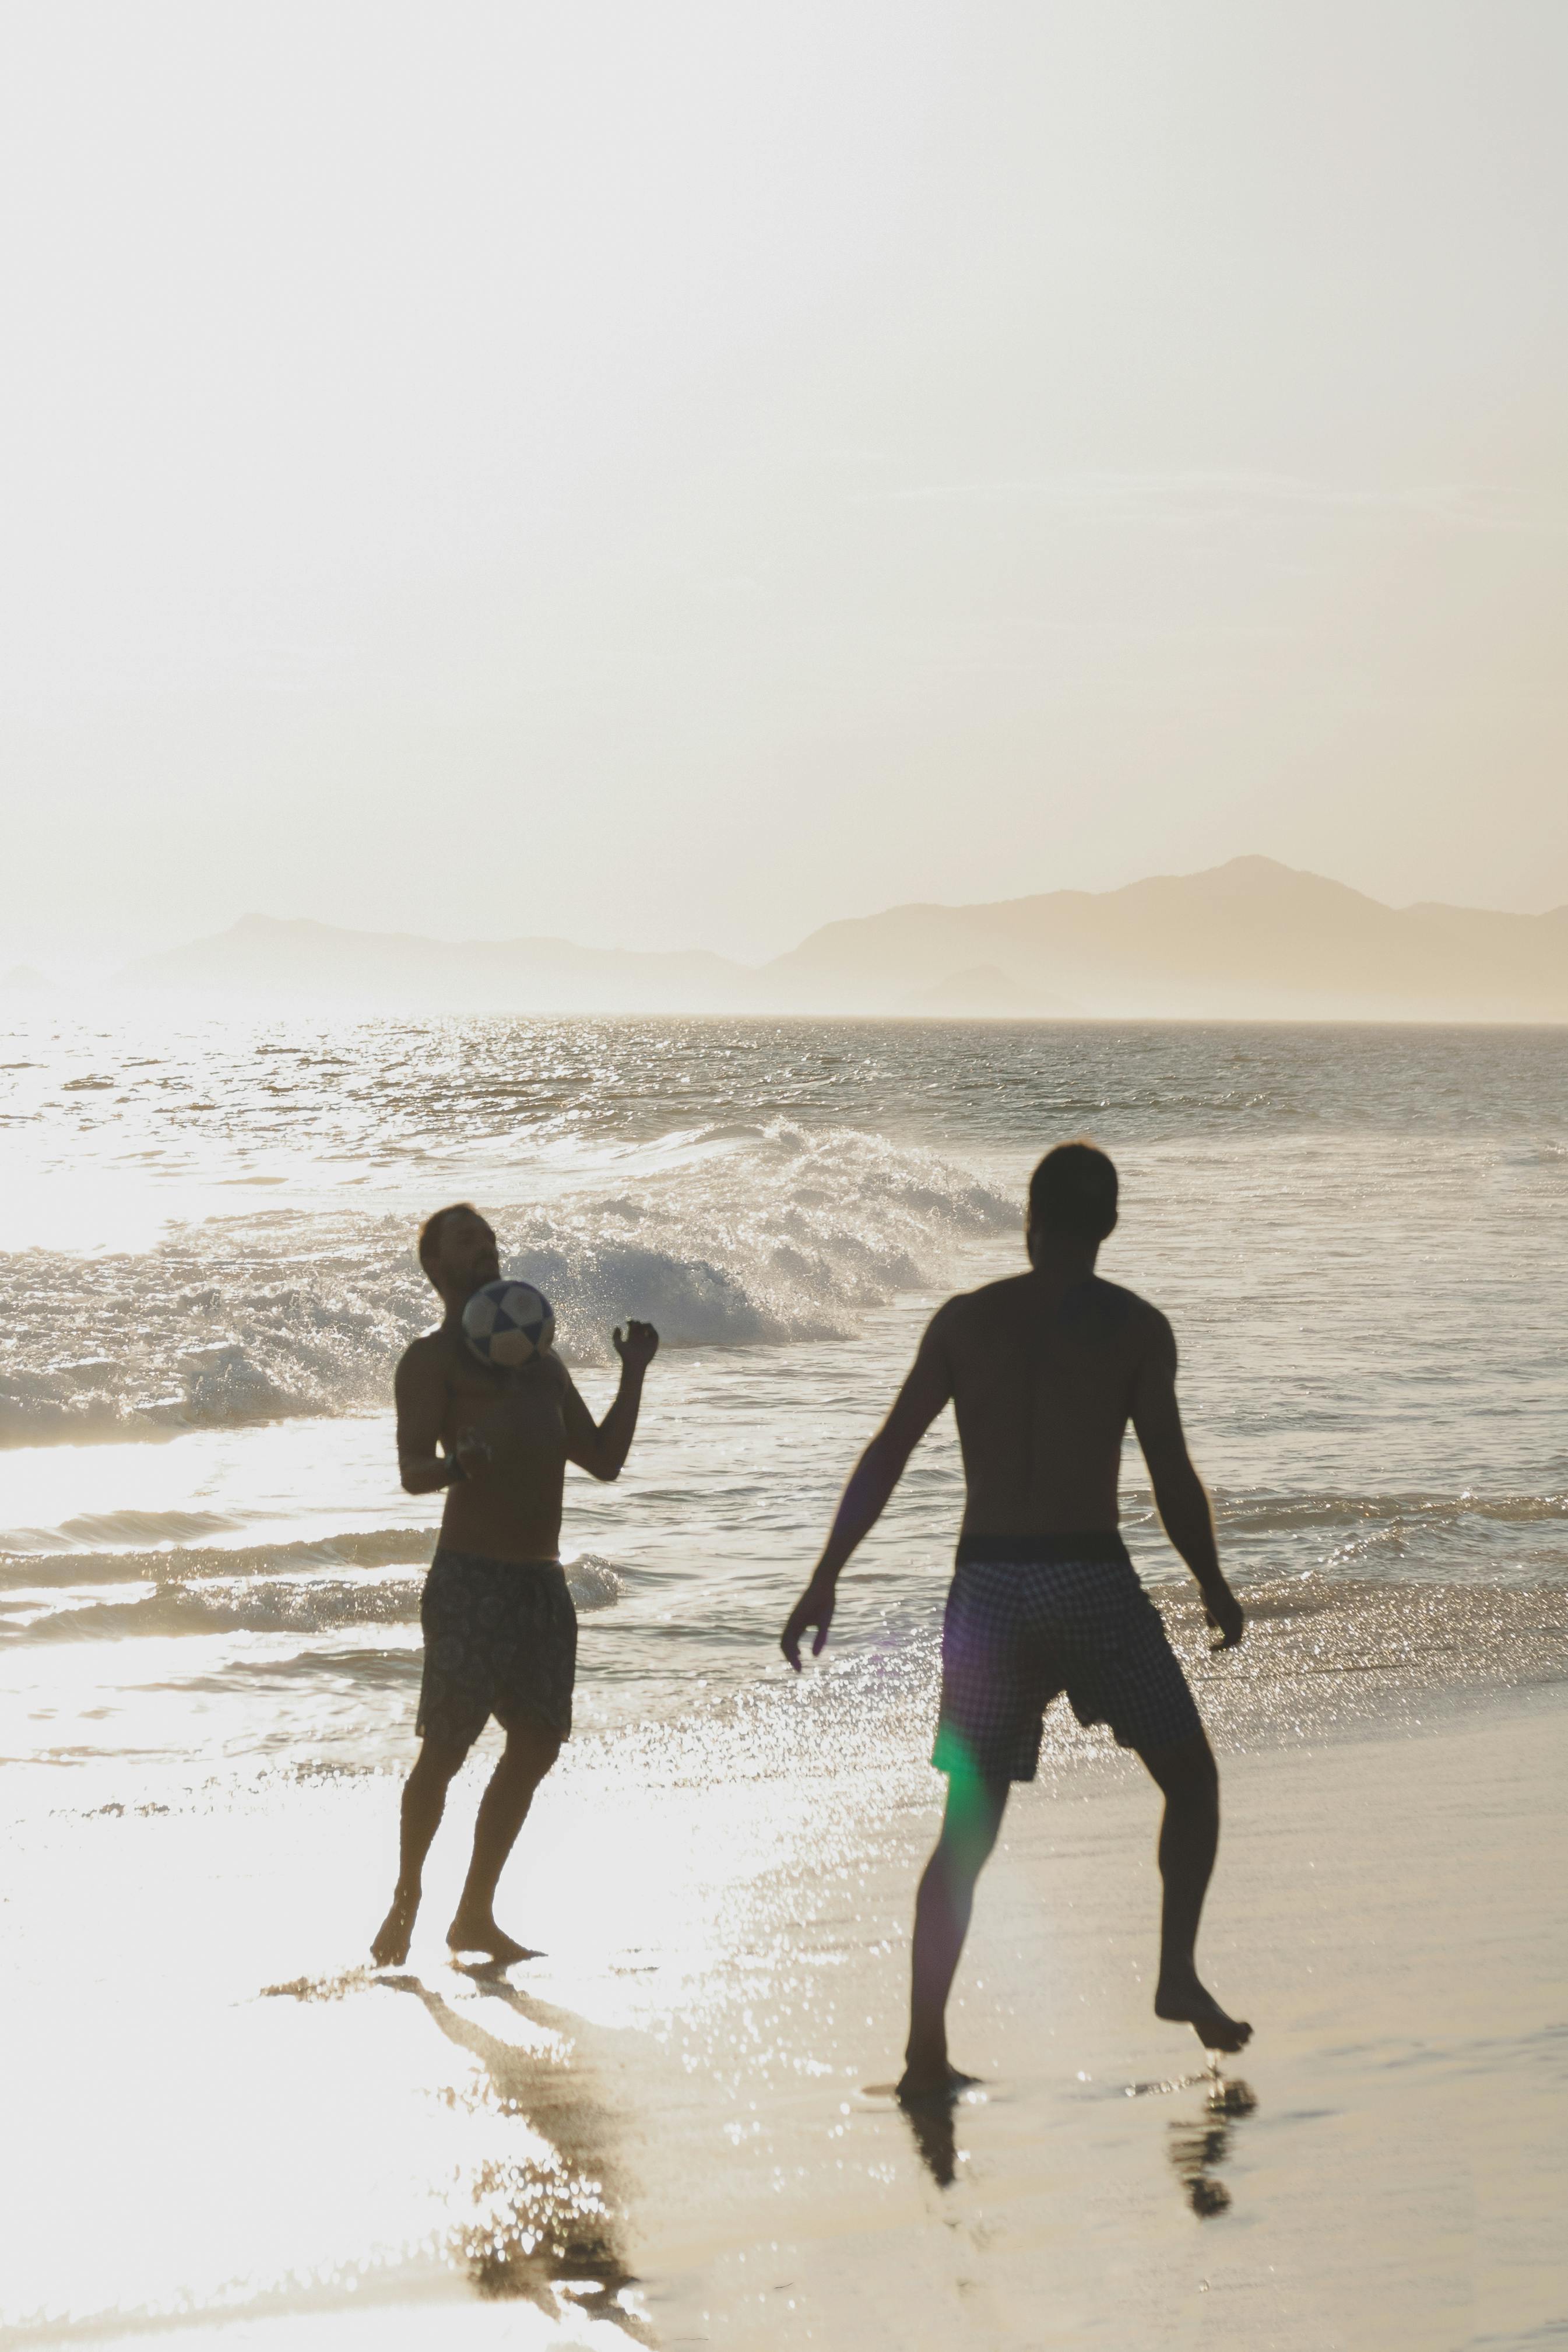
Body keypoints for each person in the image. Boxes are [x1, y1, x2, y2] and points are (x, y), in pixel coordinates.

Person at [780, 1141, 1249, 2103]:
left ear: (1027, 1219)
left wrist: (825, 1574)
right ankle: (1172, 1973)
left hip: (989, 1590)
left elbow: (888, 1452)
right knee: (1189, 1781)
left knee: (967, 1830)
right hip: (1087, 1581)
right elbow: (1168, 1474)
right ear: (1110, 1223)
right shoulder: (1135, 1329)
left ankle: (921, 2054)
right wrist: (1210, 1583)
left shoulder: (964, 1323)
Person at [371, 1203, 658, 1968]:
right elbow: (410, 1473)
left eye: (490, 1241)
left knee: (535, 1745)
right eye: (468, 1244)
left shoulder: (542, 1362)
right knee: (446, 1750)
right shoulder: (431, 1361)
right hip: (471, 1581)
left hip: (541, 1582)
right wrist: (457, 1468)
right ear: (436, 1268)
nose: (487, 1252)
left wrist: (632, 1375)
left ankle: (474, 1915)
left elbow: (600, 1458)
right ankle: (406, 1898)